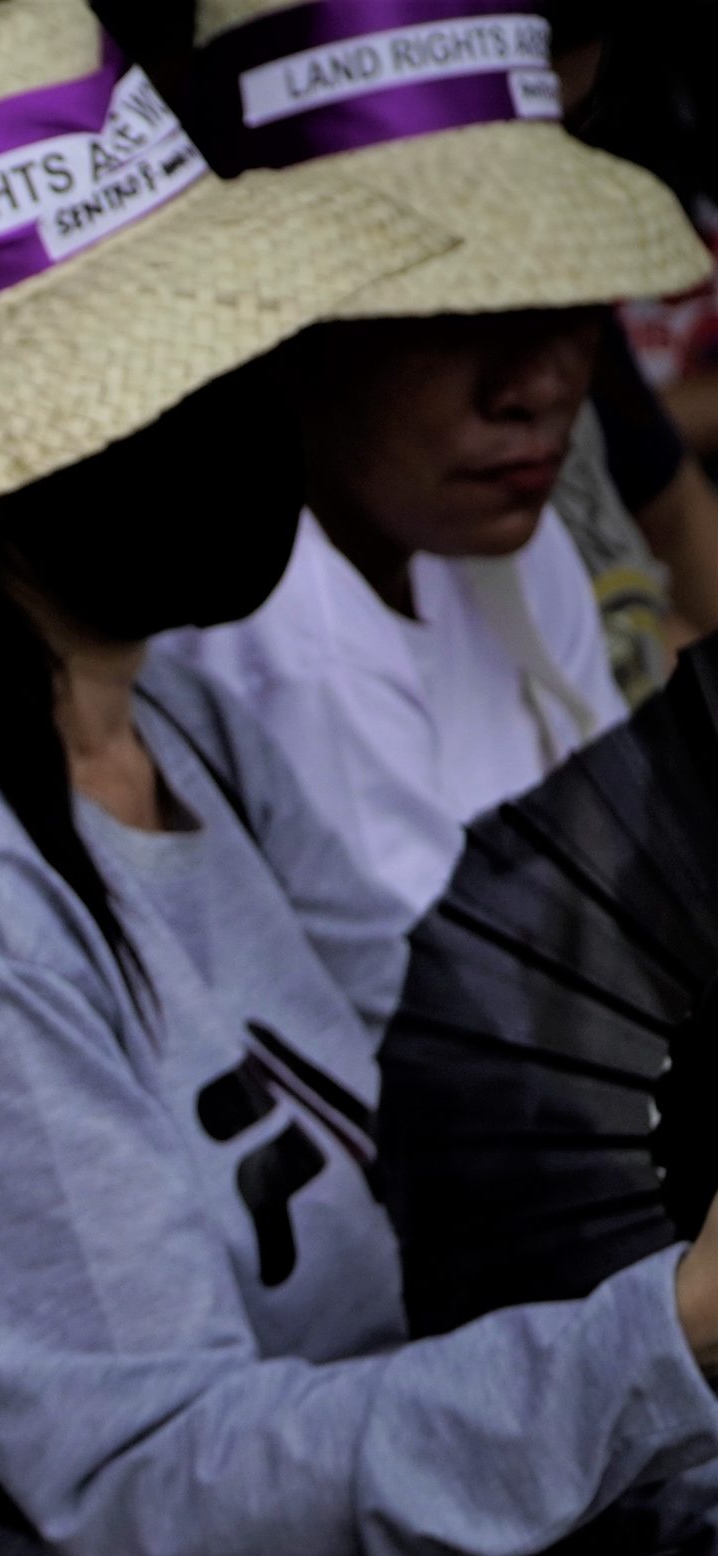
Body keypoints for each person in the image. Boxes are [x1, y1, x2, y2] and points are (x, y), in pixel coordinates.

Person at [0, 6, 718, 1556]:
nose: (244, 411)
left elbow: (441, 1065)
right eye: (169, 380)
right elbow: (153, 1477)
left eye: (236, 342)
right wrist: (670, 1335)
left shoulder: (171, 719)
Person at [161, 0, 714, 916]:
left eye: (567, 296)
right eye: (456, 313)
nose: (535, 385)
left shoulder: (504, 540)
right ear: (294, 323)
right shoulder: (273, 638)